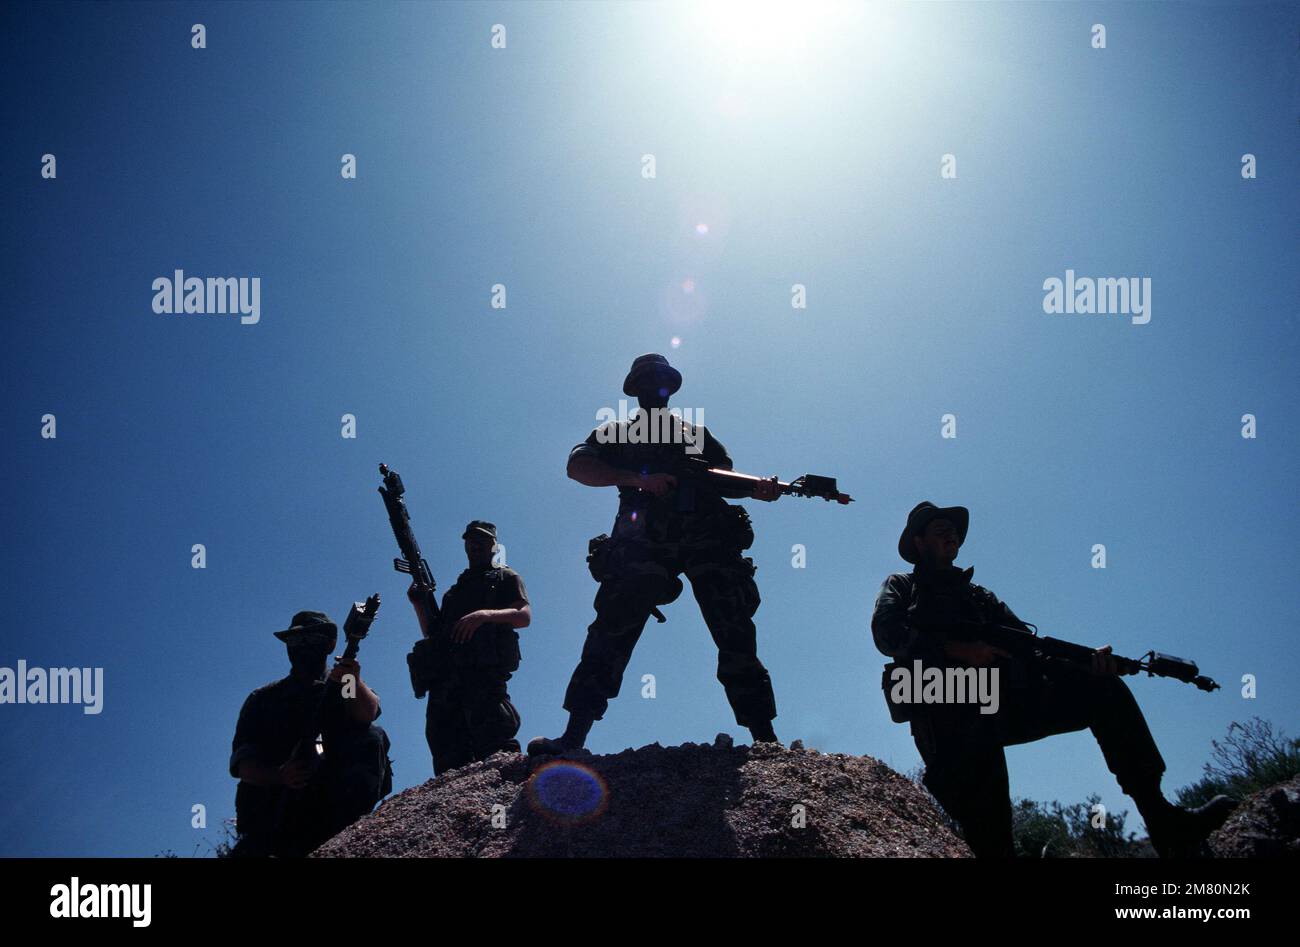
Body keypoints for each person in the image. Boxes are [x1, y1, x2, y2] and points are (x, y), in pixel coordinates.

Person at [871, 501, 1237, 857]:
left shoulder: (979, 597)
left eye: (954, 530)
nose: (951, 534)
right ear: (919, 543)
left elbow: (1031, 652)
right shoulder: (903, 586)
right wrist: (958, 651)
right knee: (990, 834)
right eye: (940, 530)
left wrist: (1086, 665)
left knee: (1103, 689)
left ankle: (1164, 822)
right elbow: (886, 633)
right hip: (947, 713)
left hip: (1000, 704)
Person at [529, 353, 781, 756]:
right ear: (635, 390)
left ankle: (765, 738)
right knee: (611, 629)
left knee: (734, 627)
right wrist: (638, 480)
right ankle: (573, 738)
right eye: (646, 382)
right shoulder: (616, 433)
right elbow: (577, 466)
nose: (654, 389)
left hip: (707, 536)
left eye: (660, 381)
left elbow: (725, 480)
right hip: (644, 540)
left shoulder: (697, 433)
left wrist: (760, 489)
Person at [229, 609, 390, 857]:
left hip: (331, 803)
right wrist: (280, 775)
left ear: (330, 644)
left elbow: (366, 715)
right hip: (277, 813)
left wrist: (352, 680)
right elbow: (244, 765)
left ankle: (351, 831)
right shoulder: (264, 699)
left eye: (312, 639)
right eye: (296, 641)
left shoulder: (342, 686)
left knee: (372, 736)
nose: (303, 647)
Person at [412, 521, 531, 775]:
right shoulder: (454, 593)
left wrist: (484, 615)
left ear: (494, 546)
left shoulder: (504, 577)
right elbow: (435, 636)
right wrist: (418, 604)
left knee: (495, 745)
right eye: (470, 540)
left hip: (482, 674)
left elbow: (523, 617)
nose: (475, 544)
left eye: (483, 540)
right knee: (446, 750)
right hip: (447, 680)